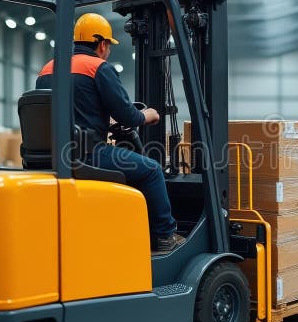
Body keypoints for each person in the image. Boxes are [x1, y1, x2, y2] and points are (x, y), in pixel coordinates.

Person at [36, 13, 186, 254]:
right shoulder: (98, 67)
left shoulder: (47, 69)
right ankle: (165, 236)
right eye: (108, 46)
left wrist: (107, 120)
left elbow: (71, 109)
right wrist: (150, 114)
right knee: (151, 170)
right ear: (102, 44)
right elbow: (130, 116)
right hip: (86, 155)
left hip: (51, 157)